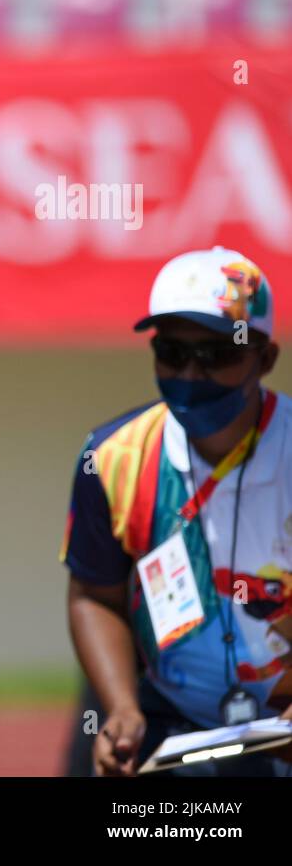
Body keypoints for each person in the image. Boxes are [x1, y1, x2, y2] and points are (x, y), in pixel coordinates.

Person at [63, 246, 292, 777]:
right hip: (173, 734)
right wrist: (121, 708)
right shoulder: (113, 458)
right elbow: (94, 596)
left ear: (266, 358)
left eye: (217, 353)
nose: (191, 373)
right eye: (171, 351)